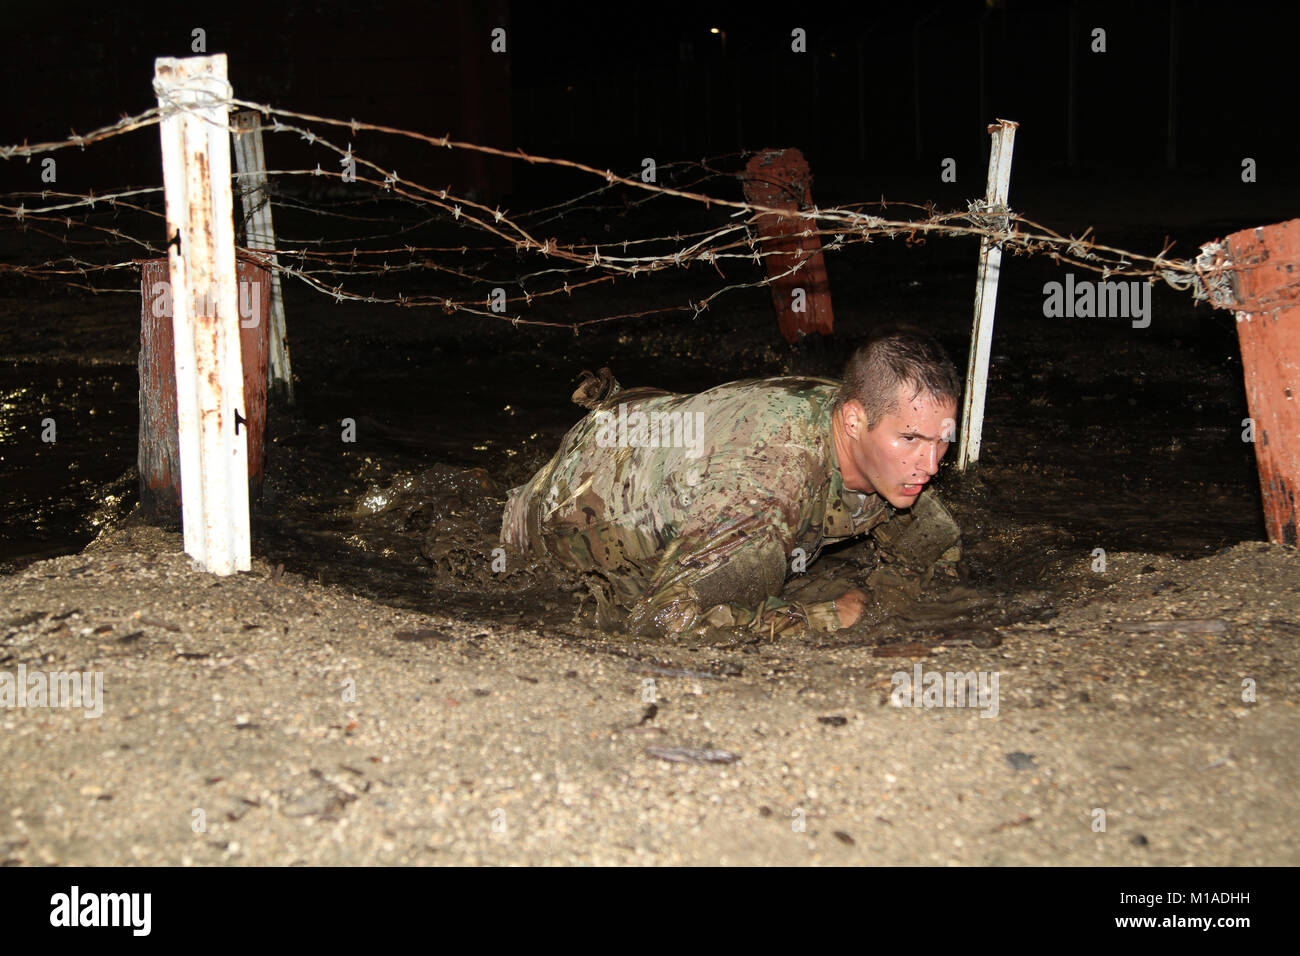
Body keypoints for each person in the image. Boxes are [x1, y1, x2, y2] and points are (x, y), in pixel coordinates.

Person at [500, 326, 963, 637]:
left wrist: (893, 590)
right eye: (910, 439)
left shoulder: (884, 444)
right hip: (562, 511)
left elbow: (934, 549)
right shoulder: (766, 485)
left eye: (942, 441)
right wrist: (828, 616)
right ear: (853, 420)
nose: (931, 464)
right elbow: (665, 621)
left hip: (651, 429)